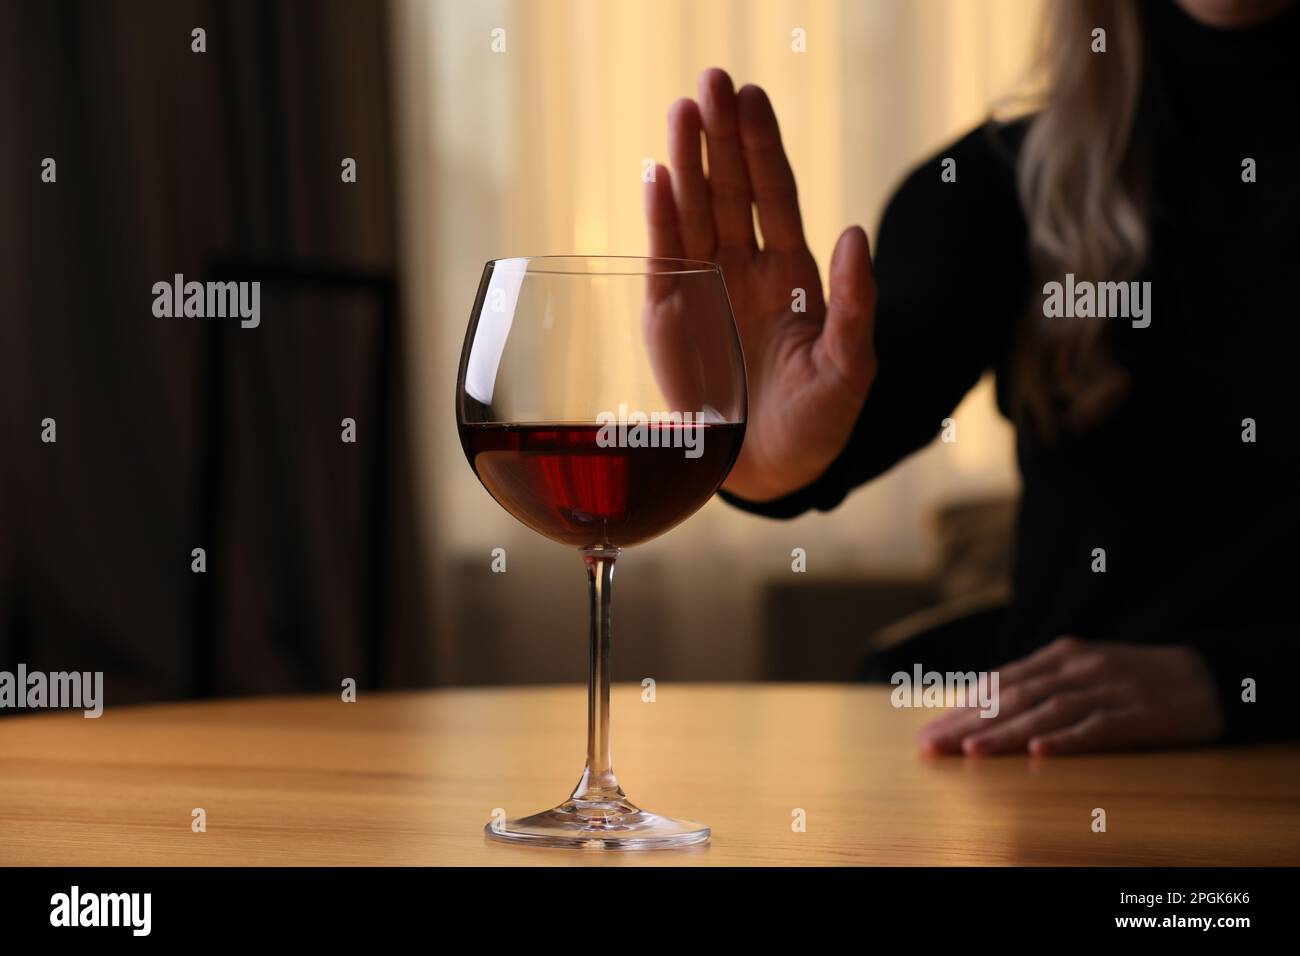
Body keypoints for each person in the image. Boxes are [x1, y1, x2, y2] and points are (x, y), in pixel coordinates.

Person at [643, 0, 1299, 755]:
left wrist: (1239, 679)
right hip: (1067, 791)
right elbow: (862, 407)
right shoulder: (988, 188)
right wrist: (760, 454)